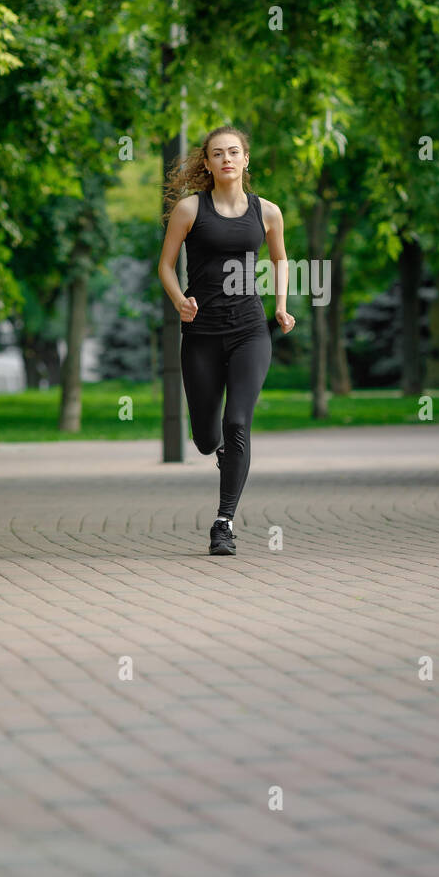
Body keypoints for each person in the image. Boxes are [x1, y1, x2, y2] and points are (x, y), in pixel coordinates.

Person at [158, 125, 295, 555]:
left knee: (237, 422)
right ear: (208, 163)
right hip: (200, 333)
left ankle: (224, 524)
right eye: (217, 154)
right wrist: (180, 300)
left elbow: (280, 258)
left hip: (249, 331)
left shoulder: (267, 212)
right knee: (205, 438)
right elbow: (164, 265)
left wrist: (280, 306)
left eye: (233, 152)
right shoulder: (190, 209)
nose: (226, 160)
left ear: (246, 159)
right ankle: (218, 450)